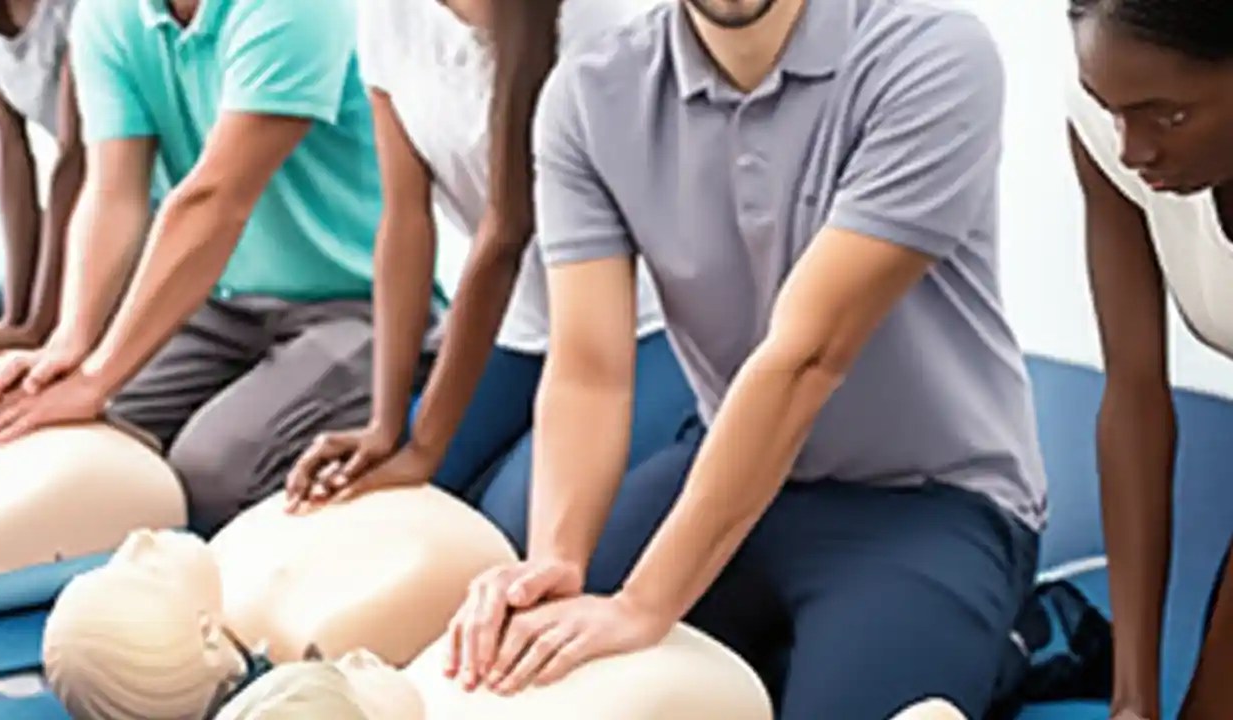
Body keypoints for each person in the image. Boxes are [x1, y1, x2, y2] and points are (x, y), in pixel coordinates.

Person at [441, 0, 1050, 718]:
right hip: (726, 466)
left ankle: (1012, 644)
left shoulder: (931, 55)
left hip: (929, 498)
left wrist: (643, 604)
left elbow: (807, 357)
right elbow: (589, 372)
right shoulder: (589, 95)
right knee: (526, 673)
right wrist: (553, 565)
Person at [0, 0, 399, 538]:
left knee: (209, 473)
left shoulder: (295, 8)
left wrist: (99, 376)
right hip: (217, 303)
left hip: (357, 306)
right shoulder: (109, 17)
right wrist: (71, 343)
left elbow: (216, 199)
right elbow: (113, 195)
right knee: (71, 437)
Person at [284, 0, 697, 562]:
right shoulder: (387, 13)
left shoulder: (598, 19)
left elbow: (506, 231)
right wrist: (385, 426)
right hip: (520, 327)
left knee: (510, 536)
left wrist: (425, 446)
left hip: (648, 324)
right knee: (388, 513)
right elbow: (405, 222)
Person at [1066, 2, 1233, 718]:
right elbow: (1134, 393)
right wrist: (1132, 699)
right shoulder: (1111, 134)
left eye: (1169, 116)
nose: (1134, 149)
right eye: (1114, 110)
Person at [0, 0, 84, 358]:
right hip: (73, 210)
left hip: (122, 210)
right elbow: (12, 148)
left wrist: (35, 326)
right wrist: (12, 320)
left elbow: (77, 158)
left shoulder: (77, 11)